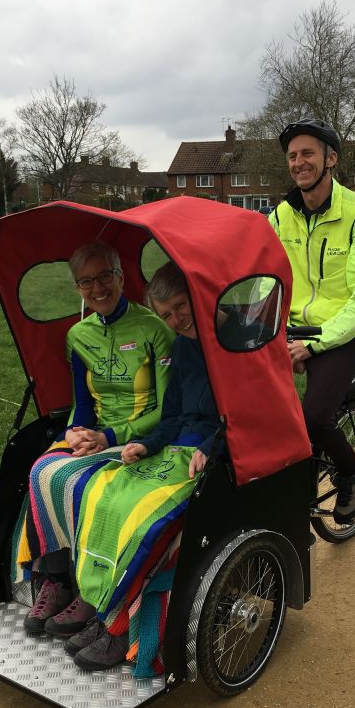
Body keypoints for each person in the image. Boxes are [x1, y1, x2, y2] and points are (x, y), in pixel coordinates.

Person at [64, 262, 227, 671]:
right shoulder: (185, 347)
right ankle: (105, 609)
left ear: (199, 295)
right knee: (109, 499)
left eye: (181, 307)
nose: (176, 320)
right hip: (178, 447)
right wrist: (146, 443)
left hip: (218, 453)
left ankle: (122, 627)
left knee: (143, 521)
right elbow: (172, 416)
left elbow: (248, 409)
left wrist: (211, 446)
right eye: (166, 315)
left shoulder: (236, 341)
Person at [14, 240, 174, 635]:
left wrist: (109, 436)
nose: (97, 288)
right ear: (77, 288)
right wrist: (75, 432)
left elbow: (168, 410)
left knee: (95, 490)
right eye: (86, 281)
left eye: (105, 276)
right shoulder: (77, 335)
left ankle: (92, 592)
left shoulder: (154, 329)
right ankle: (57, 581)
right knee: (42, 473)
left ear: (121, 278)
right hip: (99, 436)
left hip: (143, 437)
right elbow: (82, 403)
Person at [269, 118, 355, 524]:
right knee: (253, 408)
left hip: (345, 331)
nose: (298, 162)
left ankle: (352, 472)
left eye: (308, 153)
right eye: (292, 156)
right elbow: (259, 273)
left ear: (331, 159)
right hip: (290, 327)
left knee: (315, 418)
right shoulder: (281, 216)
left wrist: (314, 345)